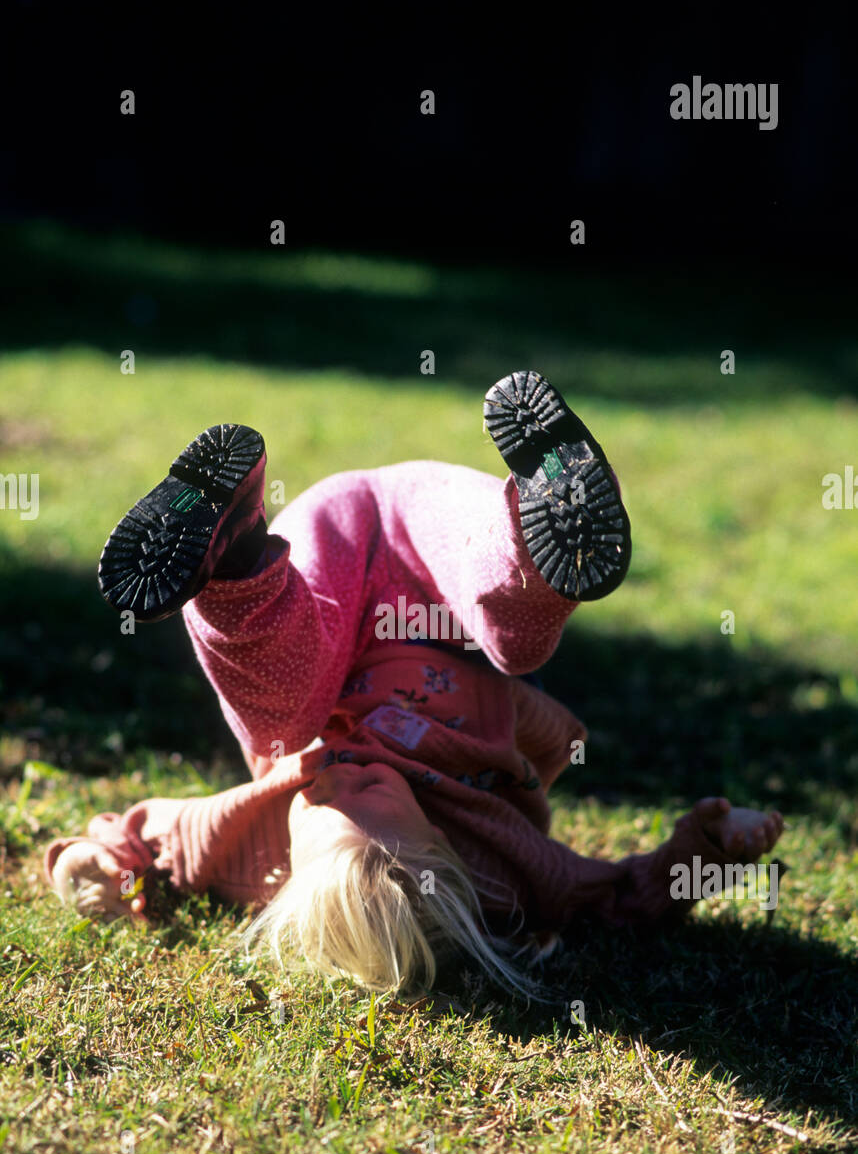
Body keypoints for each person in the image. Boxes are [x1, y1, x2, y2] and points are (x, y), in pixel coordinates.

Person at [45, 371, 784, 999]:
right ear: (431, 844)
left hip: (320, 584)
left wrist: (94, 869)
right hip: (426, 579)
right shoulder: (505, 873)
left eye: (320, 805)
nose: (334, 779)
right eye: (365, 798)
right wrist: (712, 851)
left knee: (284, 719)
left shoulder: (259, 849)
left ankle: (232, 551)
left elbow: (144, 842)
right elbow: (623, 899)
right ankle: (545, 518)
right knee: (512, 629)